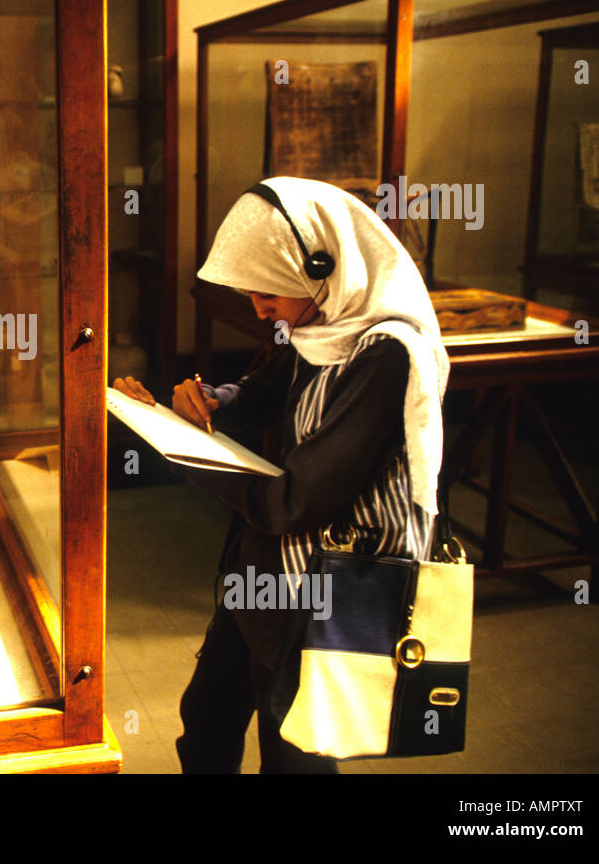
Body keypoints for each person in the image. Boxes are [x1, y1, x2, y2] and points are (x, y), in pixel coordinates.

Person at [112, 177, 449, 773]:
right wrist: (210, 403)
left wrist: (190, 454)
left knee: (292, 746)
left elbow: (296, 501)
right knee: (207, 717)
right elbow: (263, 394)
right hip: (267, 563)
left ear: (322, 267)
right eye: (251, 294)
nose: (260, 310)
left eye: (269, 294)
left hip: (324, 583)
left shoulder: (386, 353)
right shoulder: (324, 322)